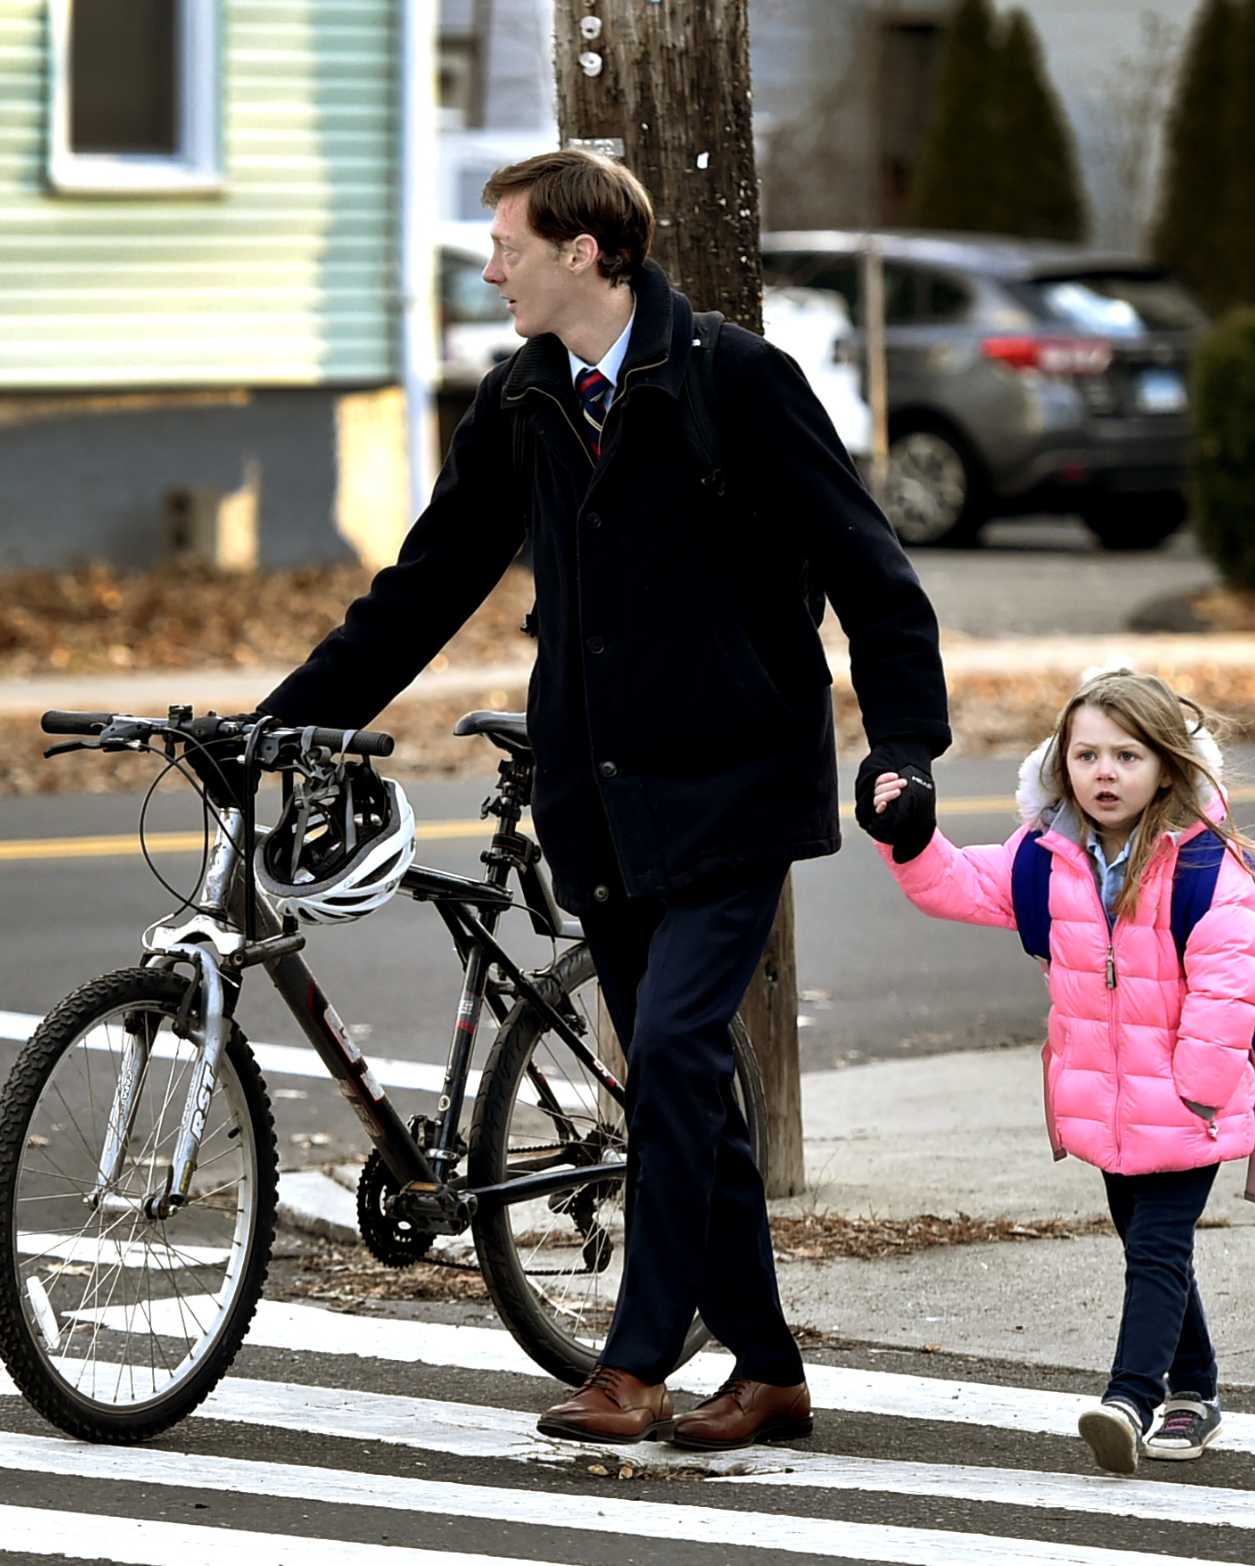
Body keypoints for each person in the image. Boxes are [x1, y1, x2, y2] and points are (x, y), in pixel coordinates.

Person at [257, 149, 951, 1448]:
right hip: (606, 797)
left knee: (679, 1050)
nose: (489, 266)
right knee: (680, 1087)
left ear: (586, 252)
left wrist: (905, 742)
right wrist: (288, 718)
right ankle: (772, 1370)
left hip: (739, 783)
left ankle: (634, 1365)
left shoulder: (734, 380)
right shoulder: (521, 398)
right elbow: (428, 580)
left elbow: (870, 566)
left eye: (507, 243)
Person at [869, 668, 1255, 1474]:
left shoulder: (1201, 867)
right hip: (1107, 1103)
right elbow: (958, 884)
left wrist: (1193, 1090)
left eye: (1127, 755)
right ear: (1061, 765)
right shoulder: (1047, 857)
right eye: (1086, 754)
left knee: (1156, 1248)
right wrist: (907, 835)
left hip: (1187, 1103)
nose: (1104, 772)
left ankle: (1130, 1399)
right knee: (1148, 1242)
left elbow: (1237, 979)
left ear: (1167, 764)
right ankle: (1196, 1390)